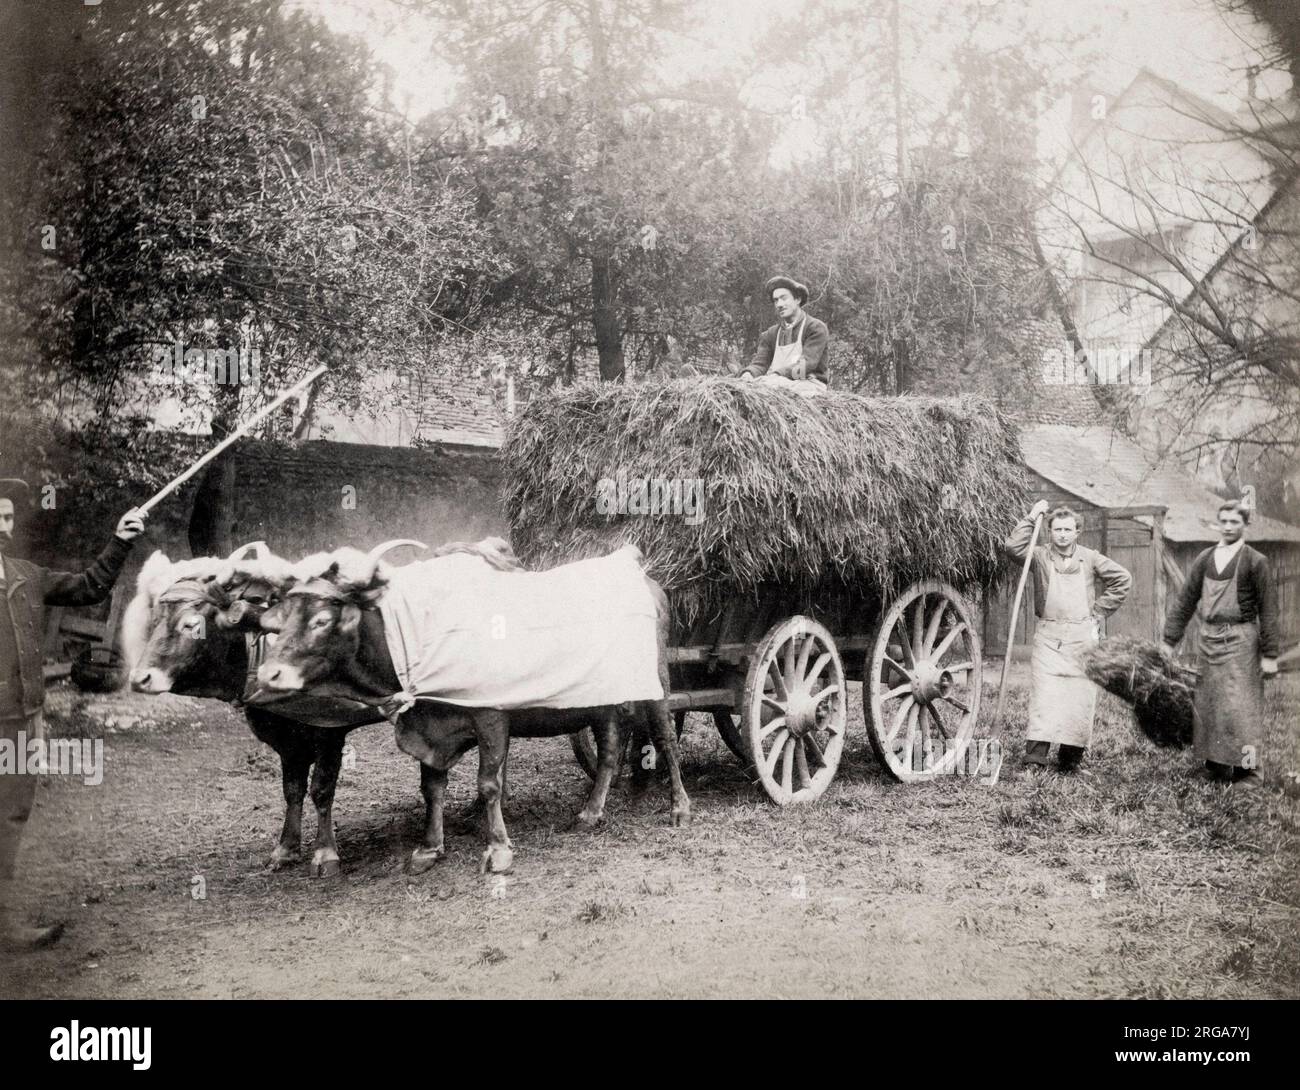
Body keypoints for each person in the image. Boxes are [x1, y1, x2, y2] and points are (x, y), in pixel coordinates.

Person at [0, 478, 146, 951]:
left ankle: (4, 926)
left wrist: (120, 541)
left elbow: (89, 586)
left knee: (11, 818)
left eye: (7, 518)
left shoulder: (25, 575)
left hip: (21, 721)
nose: (3, 526)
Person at [1005, 500, 1132, 774]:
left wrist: (1098, 613)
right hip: (1049, 635)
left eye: (1067, 529)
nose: (1062, 534)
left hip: (1082, 637)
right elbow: (1013, 548)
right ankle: (1035, 760)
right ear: (1049, 531)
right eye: (1057, 529)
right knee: (1045, 696)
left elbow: (1123, 579)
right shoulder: (1038, 556)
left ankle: (1069, 761)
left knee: (1079, 698)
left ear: (1077, 532)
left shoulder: (1090, 557)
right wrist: (1031, 517)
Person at [1162, 500, 1279, 788]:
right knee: (1210, 703)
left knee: (1241, 707)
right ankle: (1215, 766)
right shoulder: (1205, 558)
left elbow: (1269, 610)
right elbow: (1185, 601)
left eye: (1234, 522)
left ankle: (1248, 772)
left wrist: (1270, 654)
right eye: (1223, 521)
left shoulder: (1255, 562)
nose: (1228, 527)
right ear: (1217, 523)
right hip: (1209, 639)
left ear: (1245, 525)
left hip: (1242, 640)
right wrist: (1169, 640)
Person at [740, 276, 830, 394]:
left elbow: (805, 365)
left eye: (784, 298)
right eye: (776, 300)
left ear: (797, 299)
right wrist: (749, 373)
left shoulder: (815, 328)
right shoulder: (770, 334)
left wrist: (777, 375)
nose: (779, 304)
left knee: (767, 386)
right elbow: (760, 363)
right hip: (777, 382)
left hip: (809, 384)